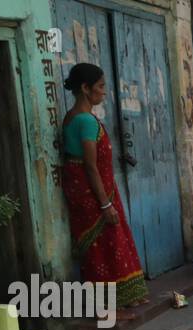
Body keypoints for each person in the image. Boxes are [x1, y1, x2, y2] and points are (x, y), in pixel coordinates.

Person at [60, 63, 148, 308]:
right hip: (93, 195)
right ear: (85, 88)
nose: (104, 92)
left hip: (91, 192)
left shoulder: (72, 117)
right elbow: (90, 165)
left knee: (106, 247)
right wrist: (105, 203)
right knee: (102, 249)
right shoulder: (86, 121)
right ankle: (107, 308)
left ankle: (120, 301)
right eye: (100, 87)